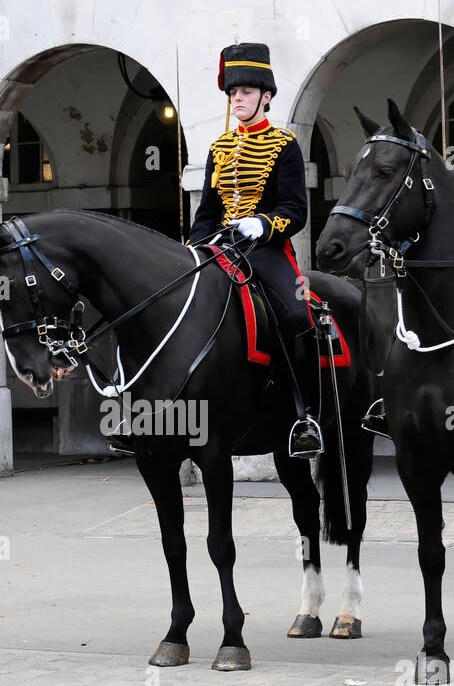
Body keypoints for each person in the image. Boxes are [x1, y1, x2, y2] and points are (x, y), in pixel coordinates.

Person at [110, 41, 319, 458]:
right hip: (218, 250)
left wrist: (262, 223)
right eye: (232, 92)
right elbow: (205, 212)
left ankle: (303, 415)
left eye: (244, 91)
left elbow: (295, 211)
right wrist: (198, 245)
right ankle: (134, 411)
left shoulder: (284, 145)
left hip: (267, 250)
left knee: (298, 313)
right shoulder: (220, 148)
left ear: (266, 96)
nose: (236, 98)